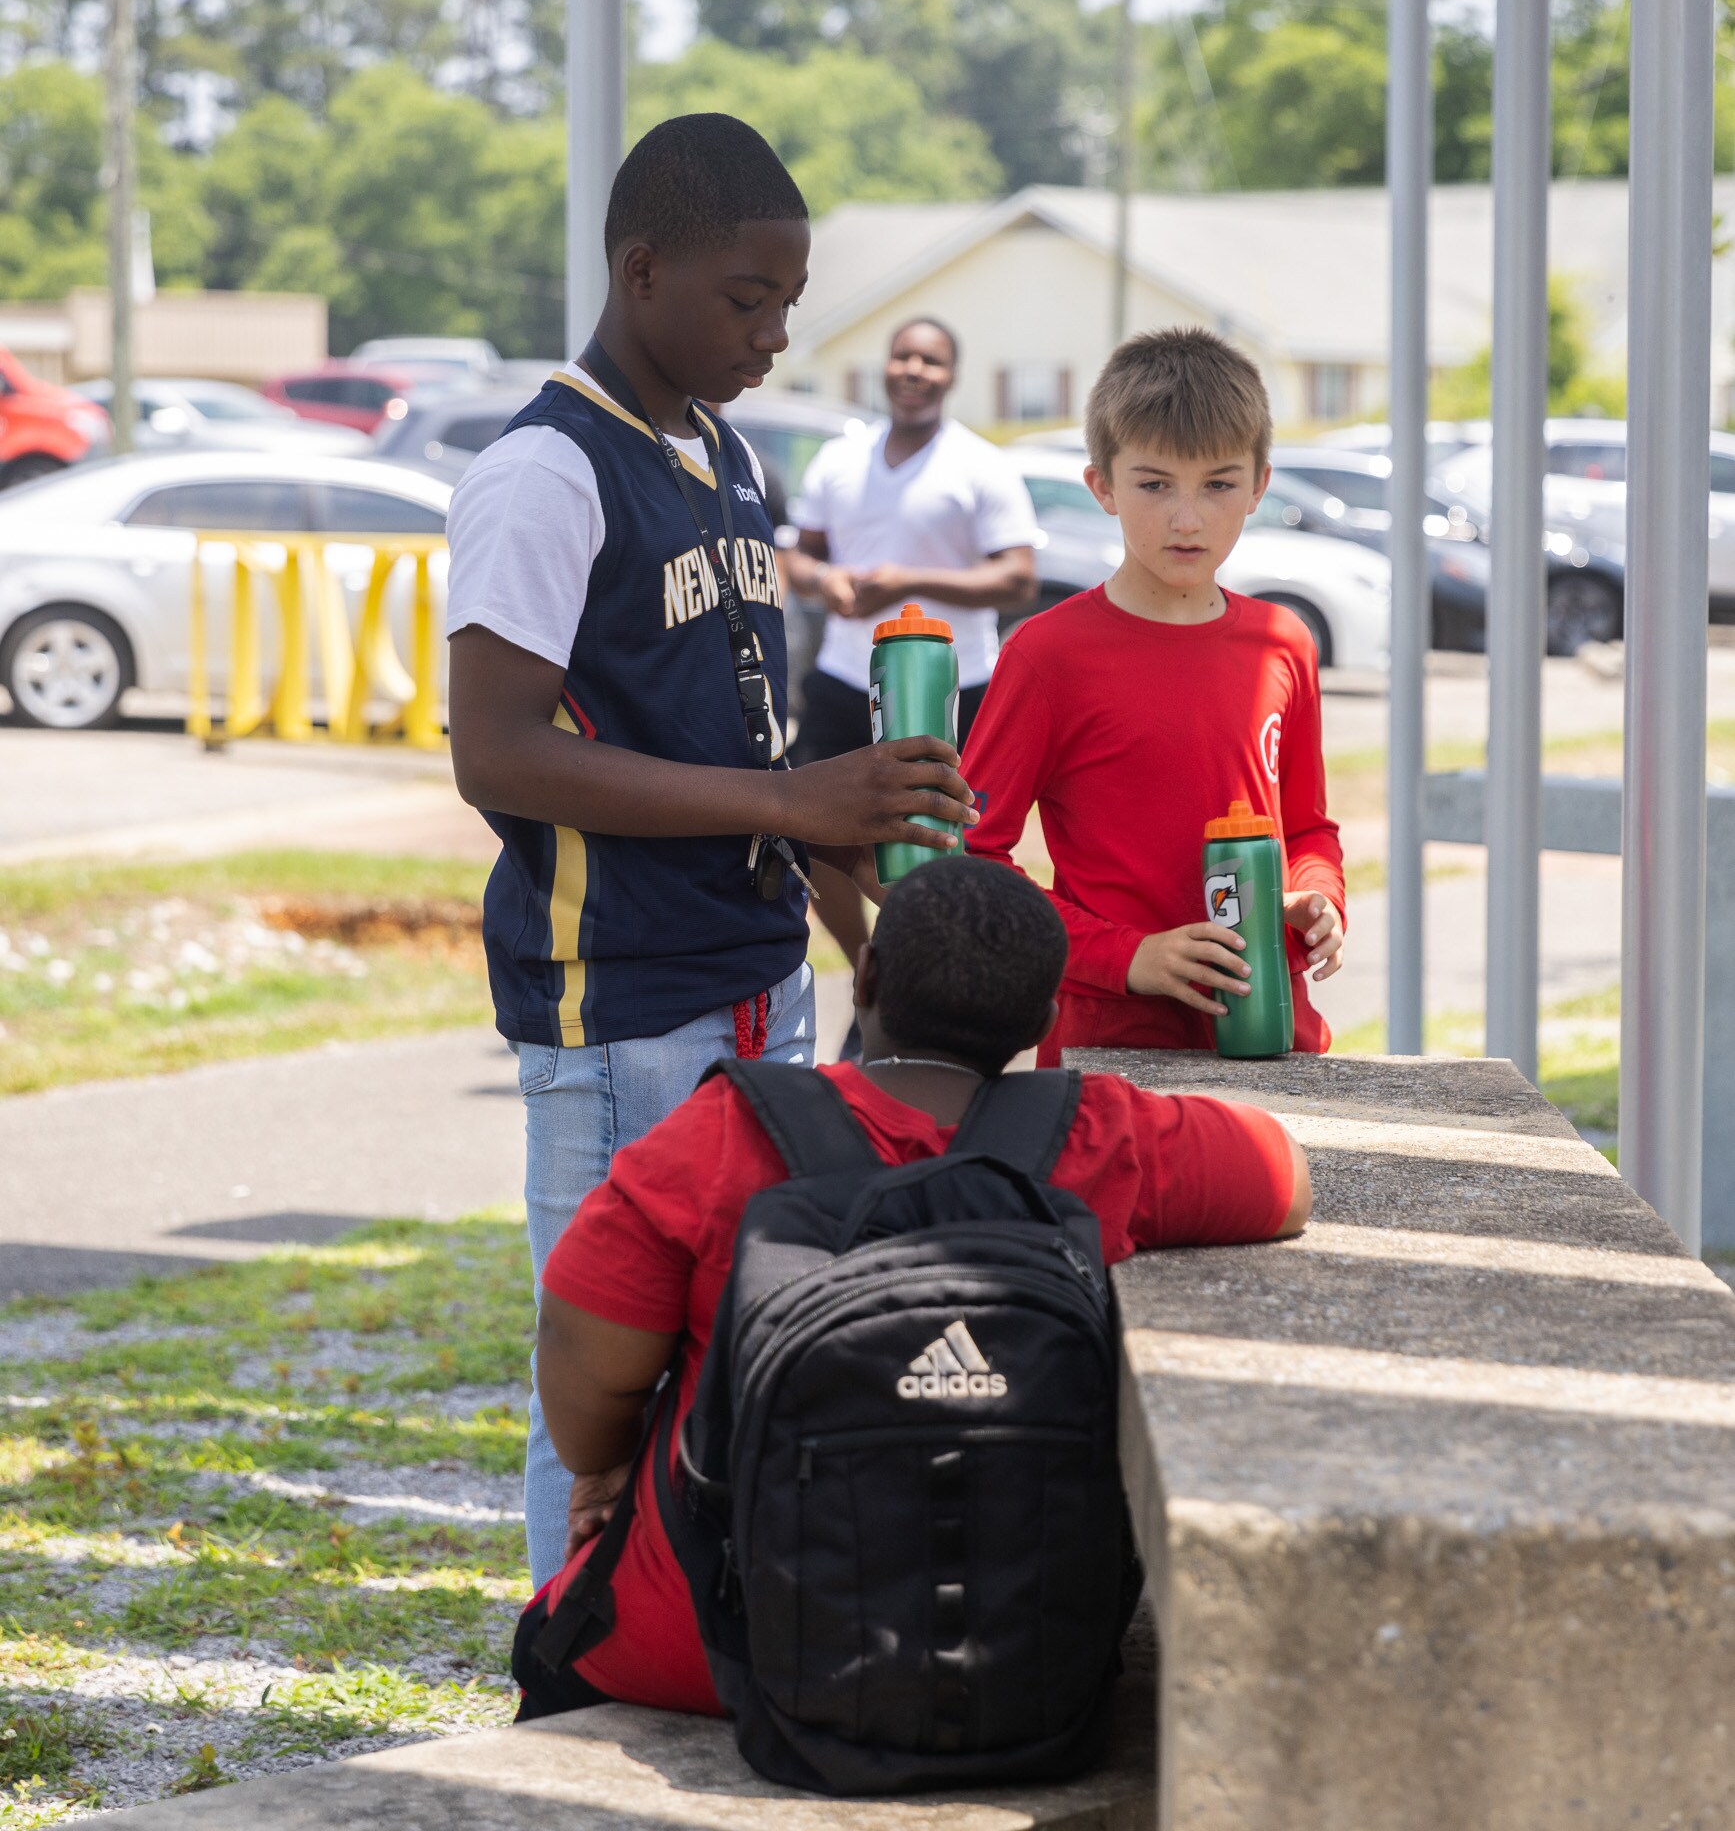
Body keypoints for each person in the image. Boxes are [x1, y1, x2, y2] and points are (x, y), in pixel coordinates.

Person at [444, 114, 978, 1590]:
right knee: (602, 1386)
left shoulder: (723, 451)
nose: (774, 333)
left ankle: (692, 1647)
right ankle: (573, 1672)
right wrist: (794, 805)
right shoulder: (546, 471)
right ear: (641, 271)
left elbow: (744, 744)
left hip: (755, 982)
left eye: (788, 301)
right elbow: (497, 753)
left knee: (735, 1356)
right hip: (625, 1004)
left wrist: (865, 913)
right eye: (747, 299)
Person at [529, 854, 1311, 1715]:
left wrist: (599, 1468)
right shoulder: (1098, 1136)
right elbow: (1282, 1177)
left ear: (866, 976)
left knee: (560, 1646)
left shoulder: (722, 1134)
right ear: (1042, 1019)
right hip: (1009, 1657)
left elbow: (581, 1344)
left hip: (715, 1643)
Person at [961, 327, 1346, 1064]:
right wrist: (1127, 956)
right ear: (1102, 486)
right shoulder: (1046, 655)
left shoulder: (1284, 642)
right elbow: (972, 860)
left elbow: (1306, 829)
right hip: (1112, 1051)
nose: (1186, 518)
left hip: (1273, 1036)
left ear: (1259, 485)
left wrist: (1317, 894)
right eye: (1154, 484)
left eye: (1218, 485)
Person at [781, 319, 1042, 1004]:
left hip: (949, 688)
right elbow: (799, 556)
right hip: (847, 678)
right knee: (812, 837)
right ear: (885, 366)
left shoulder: (979, 464)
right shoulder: (841, 459)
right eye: (903, 356)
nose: (914, 370)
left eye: (931, 360)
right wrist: (824, 581)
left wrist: (910, 580)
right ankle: (868, 971)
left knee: (939, 844)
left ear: (952, 376)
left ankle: (933, 991)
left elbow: (1019, 576)